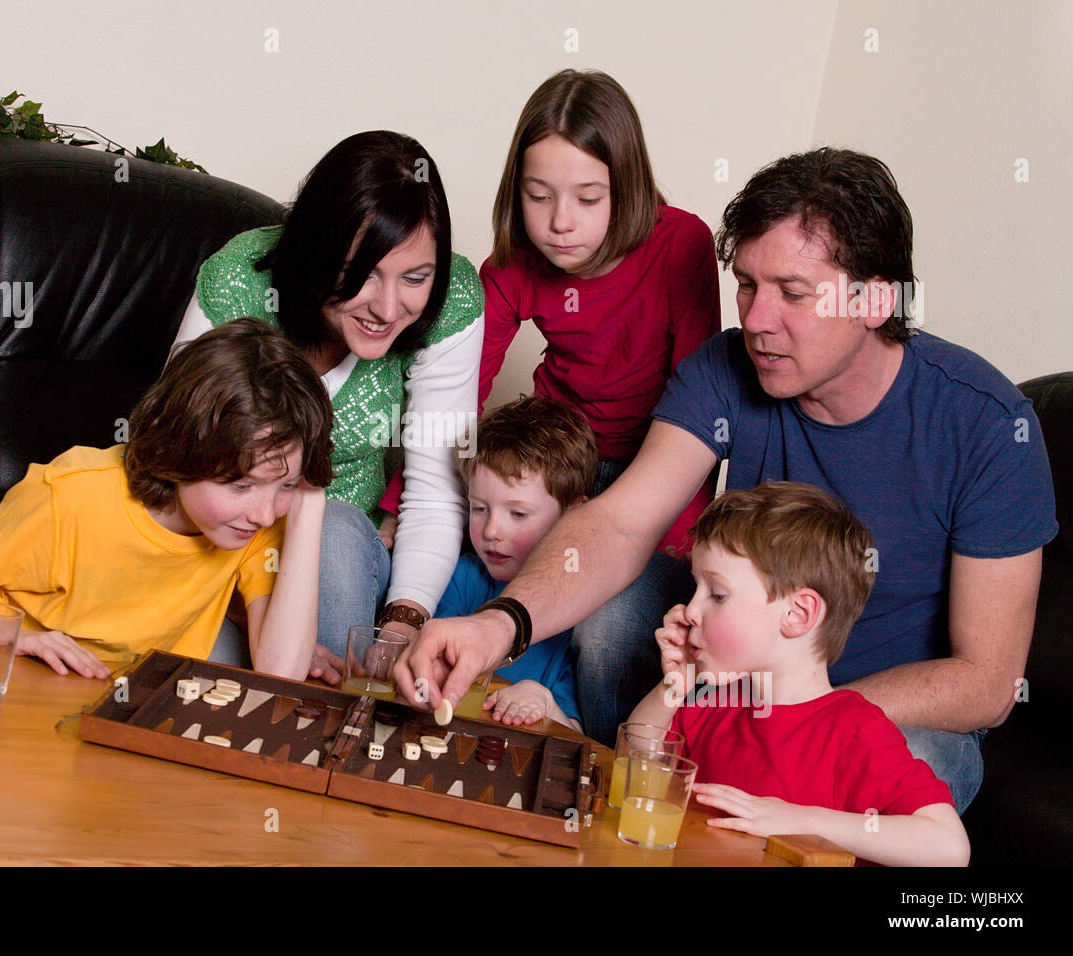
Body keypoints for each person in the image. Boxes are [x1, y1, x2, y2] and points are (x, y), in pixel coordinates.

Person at [399, 147, 1056, 812]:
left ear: (874, 299)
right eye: (747, 284)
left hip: (878, 708)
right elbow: (620, 521)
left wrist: (801, 714)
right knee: (613, 611)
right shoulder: (726, 367)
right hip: (732, 670)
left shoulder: (989, 426)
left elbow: (987, 681)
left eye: (792, 293)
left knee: (919, 761)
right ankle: (614, 805)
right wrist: (499, 625)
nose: (758, 320)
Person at [172, 131, 483, 675]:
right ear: (317, 251)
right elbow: (181, 461)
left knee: (332, 531)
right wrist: (270, 624)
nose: (388, 308)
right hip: (219, 554)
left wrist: (402, 626)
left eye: (414, 278)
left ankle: (330, 742)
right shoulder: (239, 279)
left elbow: (435, 490)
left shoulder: (452, 299)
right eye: (362, 276)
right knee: (207, 674)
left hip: (339, 556)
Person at [471, 69, 720, 735]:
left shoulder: (682, 246)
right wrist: (401, 508)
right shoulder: (512, 266)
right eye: (538, 196)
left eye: (587, 198)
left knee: (610, 633)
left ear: (626, 188)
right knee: (468, 573)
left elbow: (702, 402)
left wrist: (681, 543)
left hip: (653, 474)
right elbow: (460, 393)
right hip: (563, 465)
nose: (559, 223)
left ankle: (601, 765)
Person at [0, 318, 334, 680]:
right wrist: (11, 636)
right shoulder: (75, 496)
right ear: (177, 450)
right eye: (240, 486)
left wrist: (309, 499)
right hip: (26, 685)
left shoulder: (251, 524)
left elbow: (280, 675)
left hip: (125, 714)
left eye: (286, 486)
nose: (263, 513)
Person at [628, 482, 969, 866]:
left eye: (717, 594)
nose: (689, 610)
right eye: (696, 589)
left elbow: (948, 847)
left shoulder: (853, 731)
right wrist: (674, 686)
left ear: (798, 615)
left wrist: (799, 820)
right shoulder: (716, 707)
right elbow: (640, 760)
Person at [434, 397, 595, 731]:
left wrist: (544, 702)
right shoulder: (462, 577)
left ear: (573, 516)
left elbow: (579, 737)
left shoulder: (579, 608)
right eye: (479, 509)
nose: (491, 531)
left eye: (518, 514)